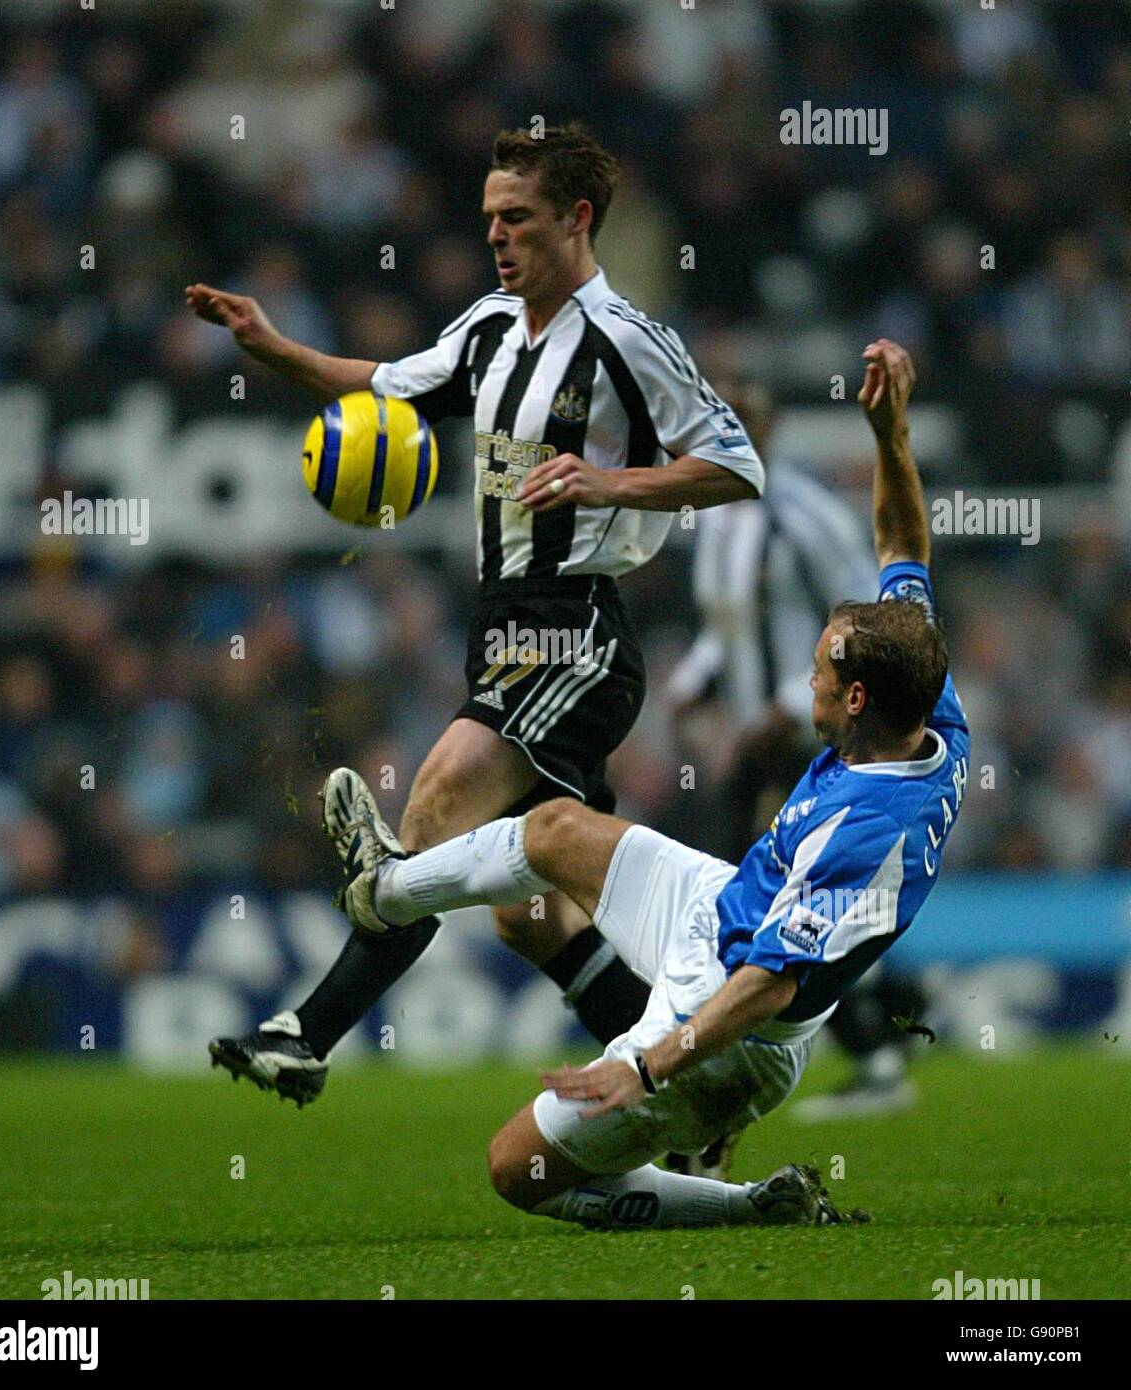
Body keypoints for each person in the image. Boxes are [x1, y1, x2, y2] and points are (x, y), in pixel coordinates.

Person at [318, 339, 969, 1228]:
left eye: (817, 670)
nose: (804, 678)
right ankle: (383, 892)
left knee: (516, 1171)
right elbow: (903, 543)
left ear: (856, 698)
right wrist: (890, 433)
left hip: (732, 1029)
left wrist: (648, 1064)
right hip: (720, 903)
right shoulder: (928, 698)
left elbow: (768, 989)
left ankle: (751, 1206)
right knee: (554, 828)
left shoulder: (868, 827)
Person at [193, 123, 763, 1104]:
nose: (496, 236)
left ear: (577, 220)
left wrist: (606, 482)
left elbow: (734, 466)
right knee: (531, 913)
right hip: (497, 627)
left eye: (517, 217)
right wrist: (270, 345)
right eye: (489, 218)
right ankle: (686, 1081)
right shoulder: (489, 327)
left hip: (574, 632)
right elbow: (382, 388)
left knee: (437, 794)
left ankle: (306, 1029)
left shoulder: (627, 340)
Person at [669, 379, 923, 1126]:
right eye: (720, 422)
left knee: (765, 892)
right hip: (757, 734)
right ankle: (894, 1017)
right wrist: (690, 681)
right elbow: (727, 628)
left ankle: (855, 1047)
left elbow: (864, 617)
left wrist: (786, 701)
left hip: (809, 731)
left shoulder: (802, 513)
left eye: (743, 421)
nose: (728, 434)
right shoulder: (716, 519)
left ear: (769, 430)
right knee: (750, 889)